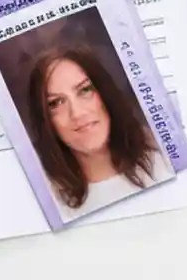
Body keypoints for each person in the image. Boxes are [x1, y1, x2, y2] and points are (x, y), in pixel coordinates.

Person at [25, 44, 173, 221]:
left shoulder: (165, 157)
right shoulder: (50, 207)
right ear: (46, 122)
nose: (77, 113)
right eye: (56, 103)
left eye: (85, 90)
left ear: (105, 94)